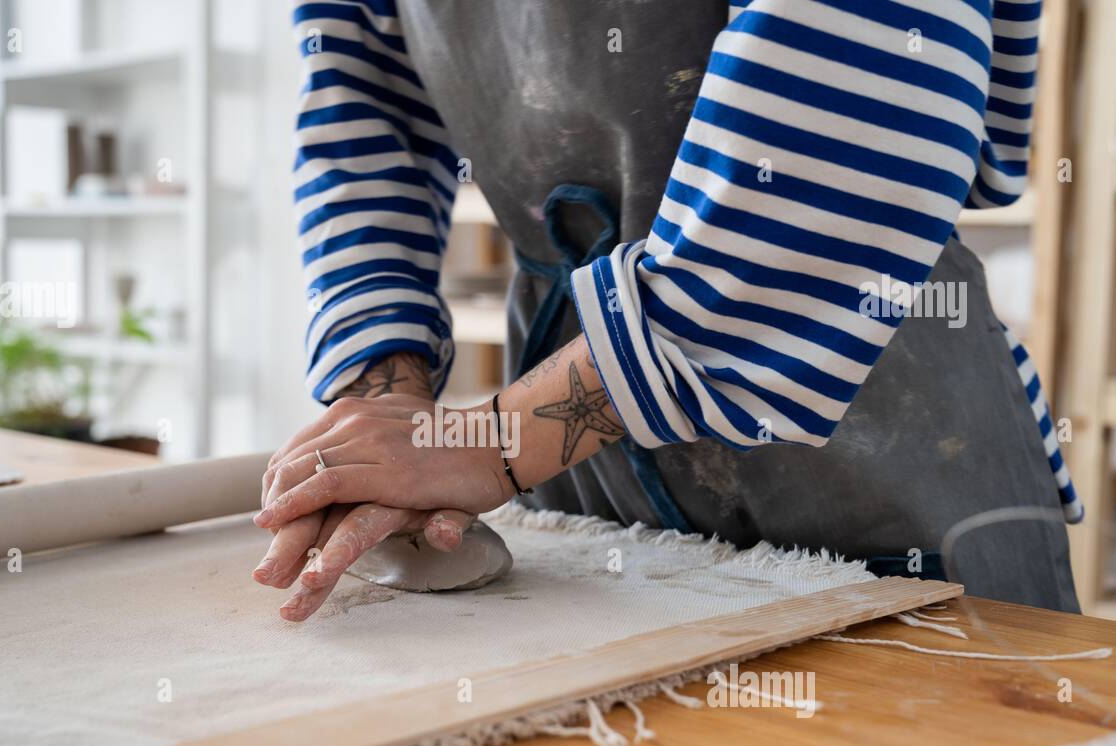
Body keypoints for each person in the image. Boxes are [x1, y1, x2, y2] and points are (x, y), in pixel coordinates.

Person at [253, 0, 1080, 621]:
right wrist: (382, 392)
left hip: (868, 415)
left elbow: (848, 78)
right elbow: (368, 104)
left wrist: (499, 438)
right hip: (569, 452)